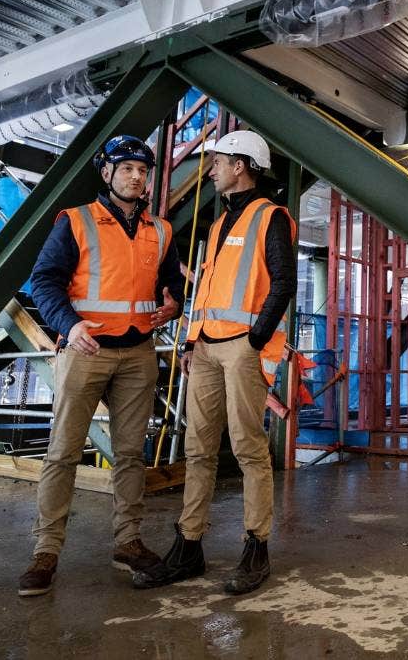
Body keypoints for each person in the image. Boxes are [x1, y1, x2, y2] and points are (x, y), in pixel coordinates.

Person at [18, 135, 183, 597]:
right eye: (127, 168)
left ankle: (128, 542)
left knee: (131, 454)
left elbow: (172, 286)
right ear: (107, 173)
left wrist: (173, 306)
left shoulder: (162, 231)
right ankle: (45, 551)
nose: (137, 176)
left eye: (143, 170)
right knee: (63, 452)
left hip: (138, 354)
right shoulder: (76, 221)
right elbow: (44, 282)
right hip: (84, 349)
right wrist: (68, 326)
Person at [134, 130, 296, 595]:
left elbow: (283, 283)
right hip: (203, 347)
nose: (212, 169)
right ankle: (188, 546)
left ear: (241, 165)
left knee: (248, 448)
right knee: (197, 449)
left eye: (219, 161)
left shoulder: (271, 217)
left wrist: (255, 338)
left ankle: (256, 546)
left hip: (241, 348)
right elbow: (205, 291)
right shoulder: (217, 224)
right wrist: (188, 343)